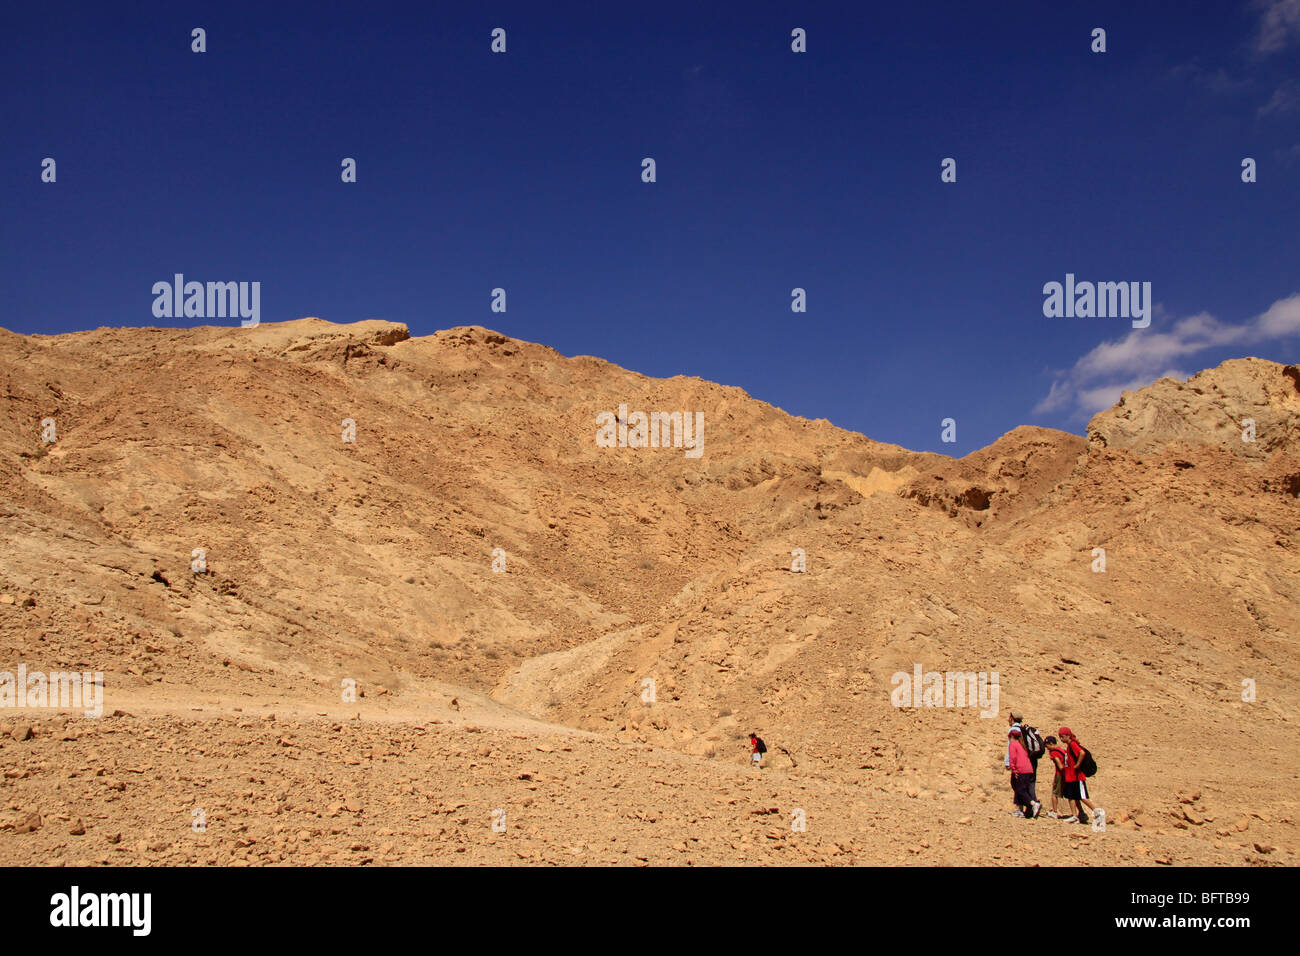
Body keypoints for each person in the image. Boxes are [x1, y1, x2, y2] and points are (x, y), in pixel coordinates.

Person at [1058, 726, 1101, 826]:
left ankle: (1097, 812)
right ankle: (1074, 816)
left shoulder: (1073, 744)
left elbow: (1082, 753)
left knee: (1082, 797)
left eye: (1062, 736)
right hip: (1071, 777)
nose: (1061, 739)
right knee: (1071, 796)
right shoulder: (1069, 746)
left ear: (1068, 735)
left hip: (1077, 776)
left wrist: (1077, 765)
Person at [1007, 727, 1040, 819]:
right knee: (1021, 789)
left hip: (1021, 769)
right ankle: (1020, 810)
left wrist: (1014, 770)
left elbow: (1012, 757)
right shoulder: (1022, 744)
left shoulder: (1013, 744)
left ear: (1011, 736)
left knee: (1020, 790)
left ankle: (1033, 804)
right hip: (1028, 769)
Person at [1044, 735, 1067, 818]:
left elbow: (1059, 765)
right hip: (1066, 774)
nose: (1047, 749)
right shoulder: (1062, 750)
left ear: (1050, 743)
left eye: (1047, 746)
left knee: (1054, 793)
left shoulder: (1054, 752)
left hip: (1059, 774)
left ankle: (1054, 811)